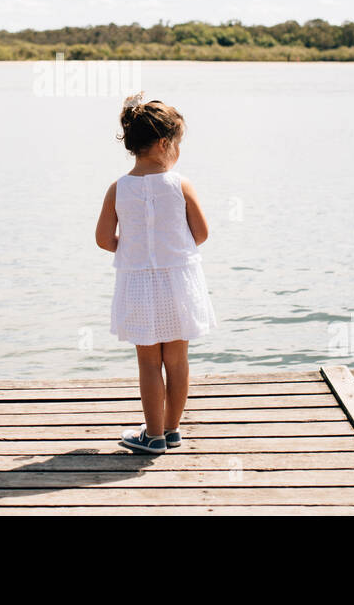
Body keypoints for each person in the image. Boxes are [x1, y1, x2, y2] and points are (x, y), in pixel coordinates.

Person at [94, 91, 216, 455]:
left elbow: (103, 239)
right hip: (179, 282)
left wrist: (132, 250)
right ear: (165, 143)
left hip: (138, 285)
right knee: (177, 361)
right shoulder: (181, 184)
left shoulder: (118, 188)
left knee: (149, 363)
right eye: (178, 143)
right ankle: (173, 429)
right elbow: (202, 233)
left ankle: (153, 434)